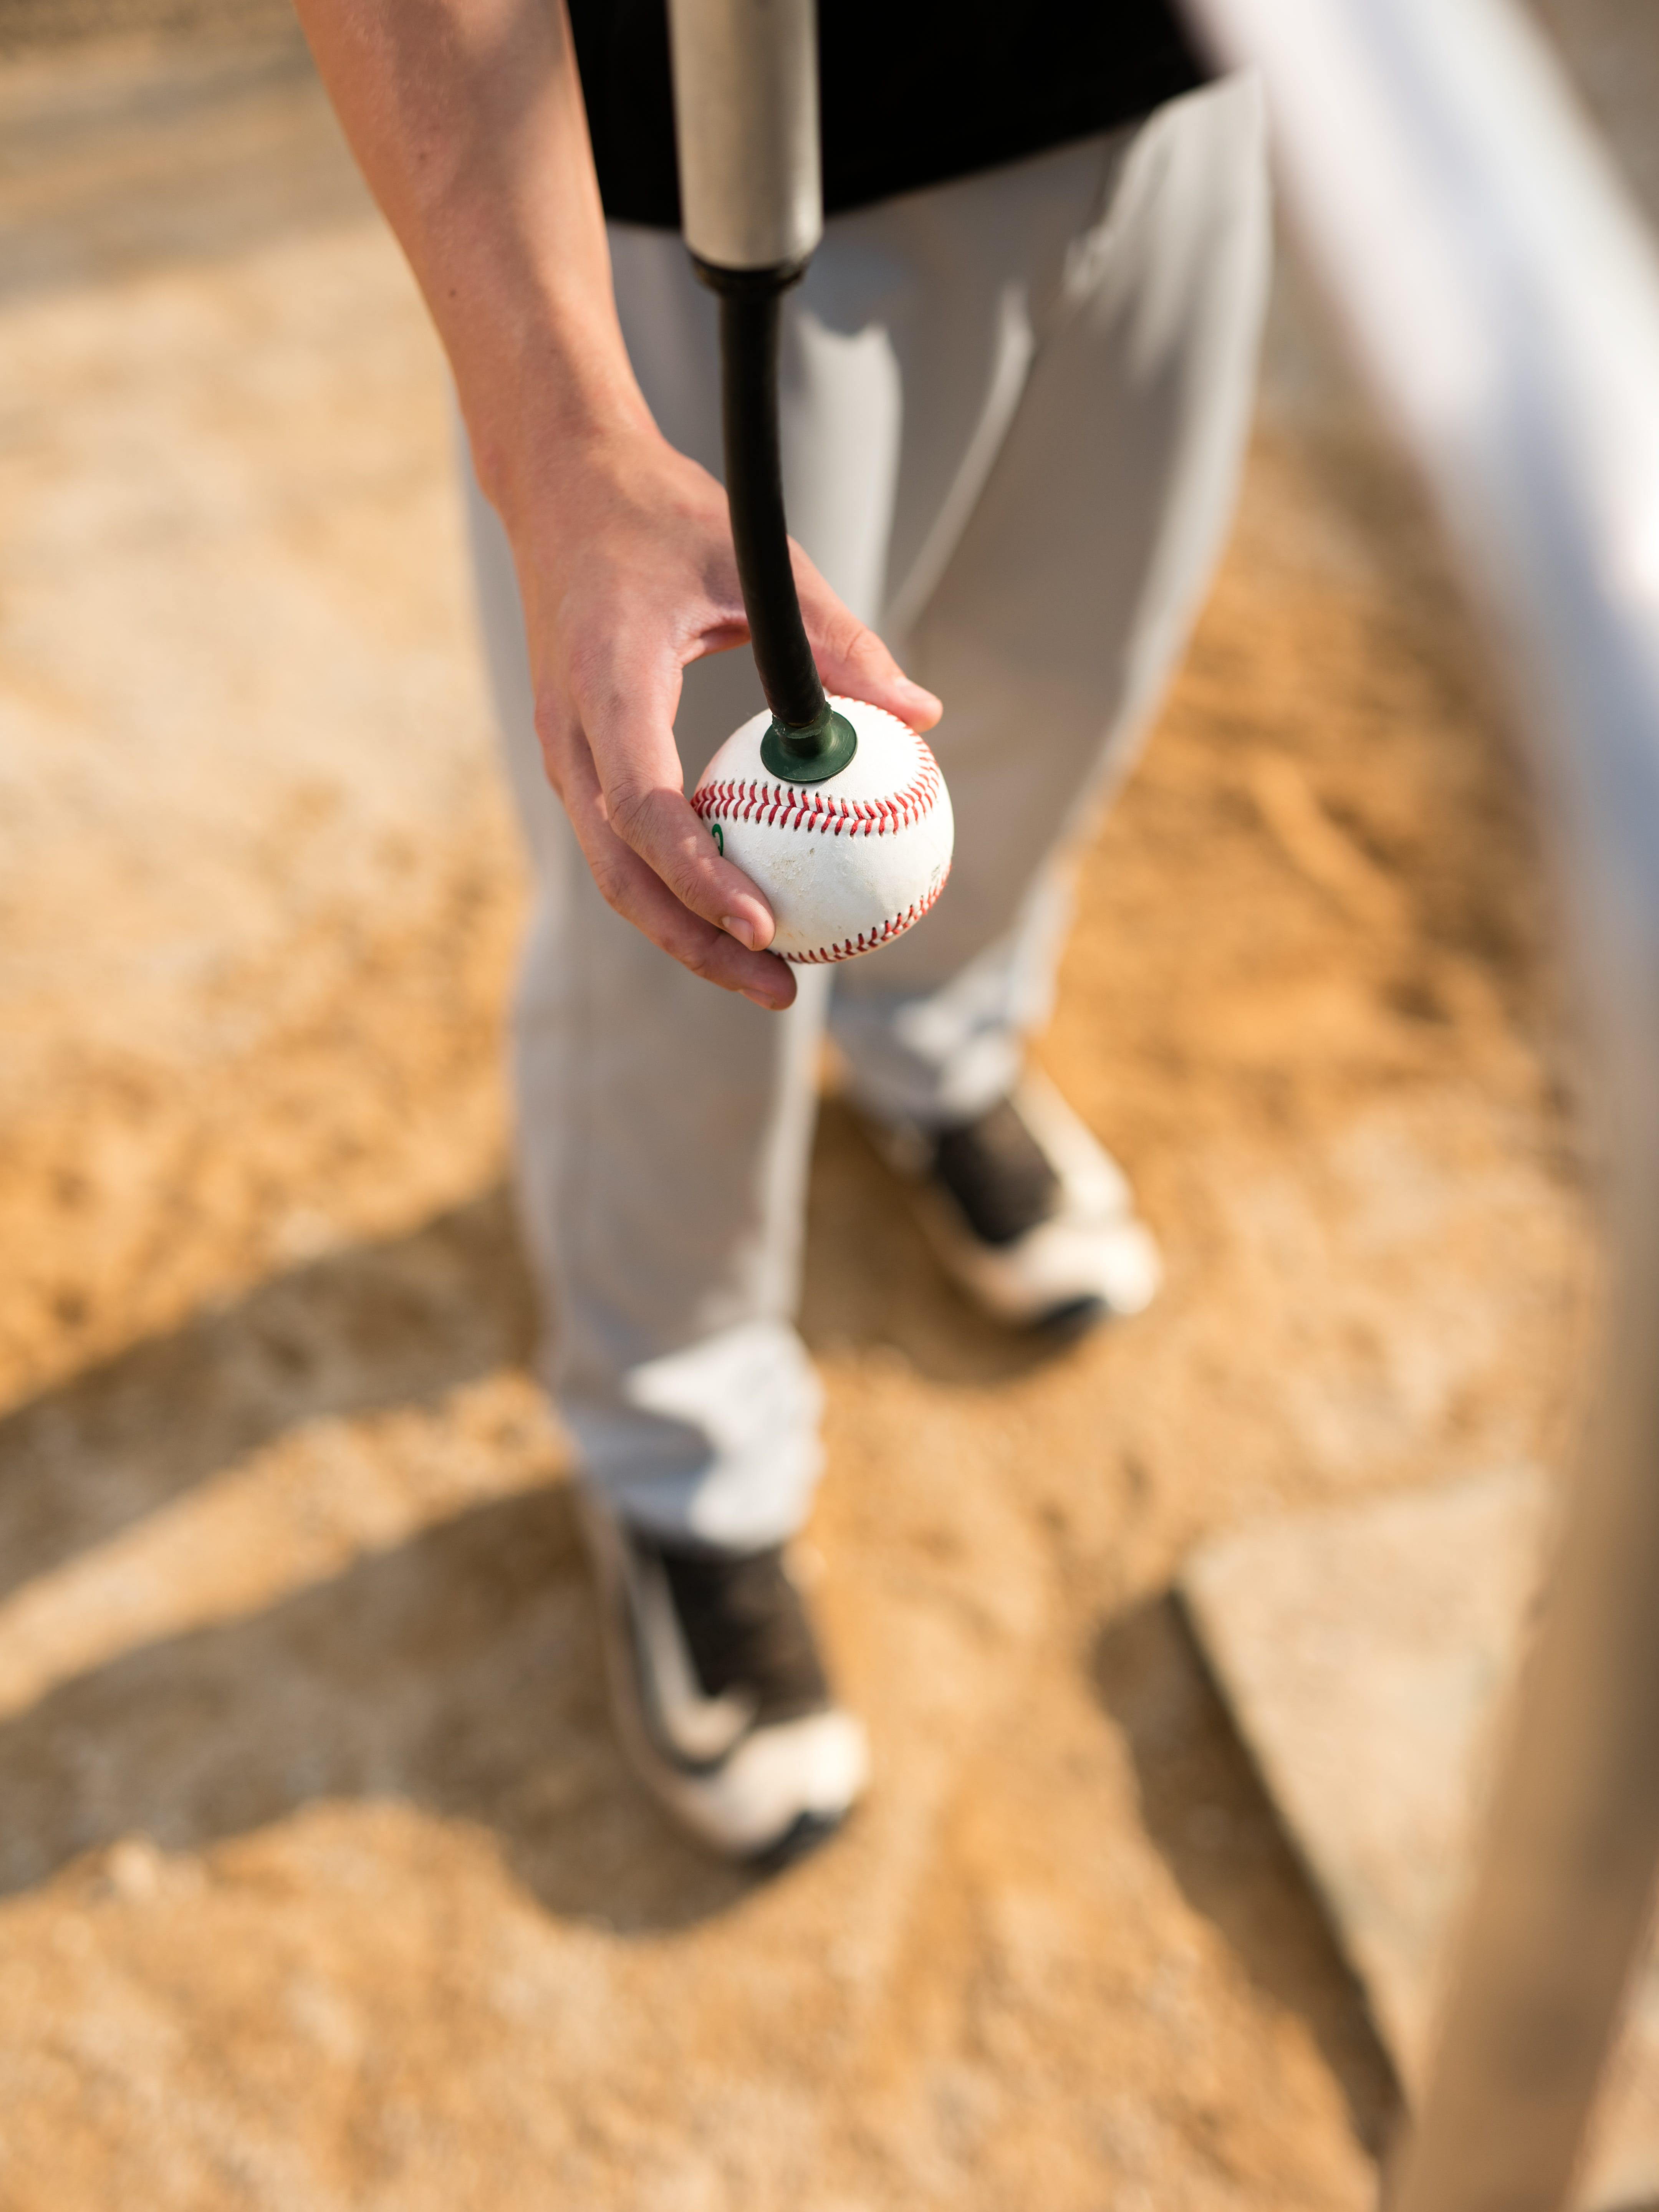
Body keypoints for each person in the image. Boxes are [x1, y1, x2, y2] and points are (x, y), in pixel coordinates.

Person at [293, 0, 1269, 1864]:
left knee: (1055, 696)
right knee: (697, 915)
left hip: (1182, 83)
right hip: (715, 192)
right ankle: (682, 1450)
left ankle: (933, 1048)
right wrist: (563, 430)